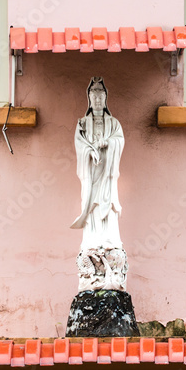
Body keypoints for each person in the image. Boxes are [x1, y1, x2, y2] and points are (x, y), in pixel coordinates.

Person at [70, 77, 124, 252]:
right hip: (91, 172)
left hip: (107, 174)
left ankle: (109, 238)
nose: (98, 100)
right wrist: (90, 152)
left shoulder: (114, 123)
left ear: (105, 98)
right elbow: (80, 145)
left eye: (101, 96)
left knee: (107, 204)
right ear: (89, 99)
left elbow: (119, 141)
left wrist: (108, 144)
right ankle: (92, 239)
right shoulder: (83, 124)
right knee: (91, 203)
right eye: (95, 96)